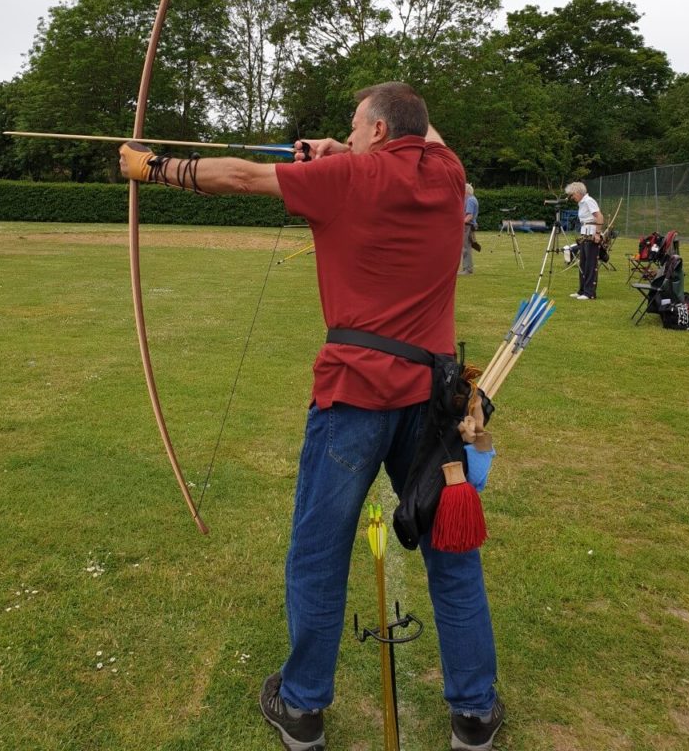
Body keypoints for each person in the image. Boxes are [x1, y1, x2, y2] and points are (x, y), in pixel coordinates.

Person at [119, 82, 504, 751]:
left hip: (355, 396)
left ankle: (301, 709)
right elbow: (426, 134)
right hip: (432, 403)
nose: (347, 137)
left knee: (320, 555)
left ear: (378, 131)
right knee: (452, 557)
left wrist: (156, 168)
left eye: (356, 127)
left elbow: (240, 174)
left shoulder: (348, 175)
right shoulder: (446, 174)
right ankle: (474, 713)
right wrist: (342, 148)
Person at [564, 181, 604, 300]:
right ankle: (582, 290)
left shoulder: (588, 201)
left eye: (573, 194)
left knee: (590, 264)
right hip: (584, 234)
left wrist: (597, 234)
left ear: (578, 192)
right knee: (583, 264)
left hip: (591, 235)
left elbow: (599, 216)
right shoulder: (582, 203)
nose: (572, 197)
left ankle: (589, 293)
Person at [460, 183, 479, 275]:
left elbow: (469, 215)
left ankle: (467, 269)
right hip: (469, 225)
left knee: (465, 247)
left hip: (467, 225)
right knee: (466, 247)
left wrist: (460, 223)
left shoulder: (470, 200)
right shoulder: (472, 199)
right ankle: (467, 268)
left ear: (466, 190)